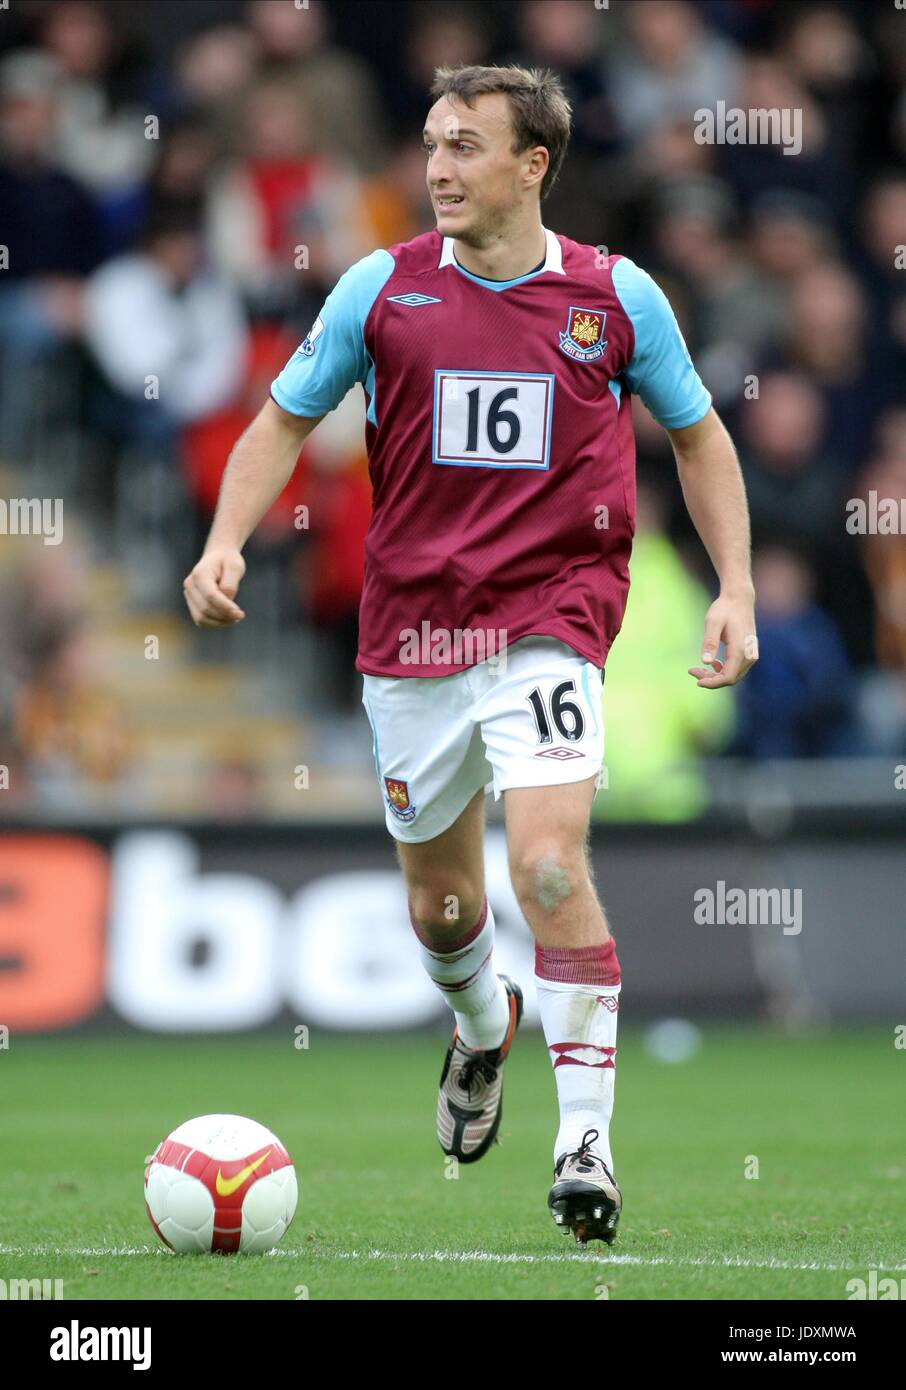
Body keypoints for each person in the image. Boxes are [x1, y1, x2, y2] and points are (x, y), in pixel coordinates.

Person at [183, 64, 758, 1247]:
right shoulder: (381, 291)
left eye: (463, 147)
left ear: (531, 164)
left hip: (552, 616)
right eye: (432, 145)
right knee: (444, 909)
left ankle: (583, 1142)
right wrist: (224, 541)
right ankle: (483, 1026)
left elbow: (700, 440)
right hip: (416, 635)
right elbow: (282, 419)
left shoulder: (615, 298)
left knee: (548, 867)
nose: (436, 169)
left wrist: (736, 588)